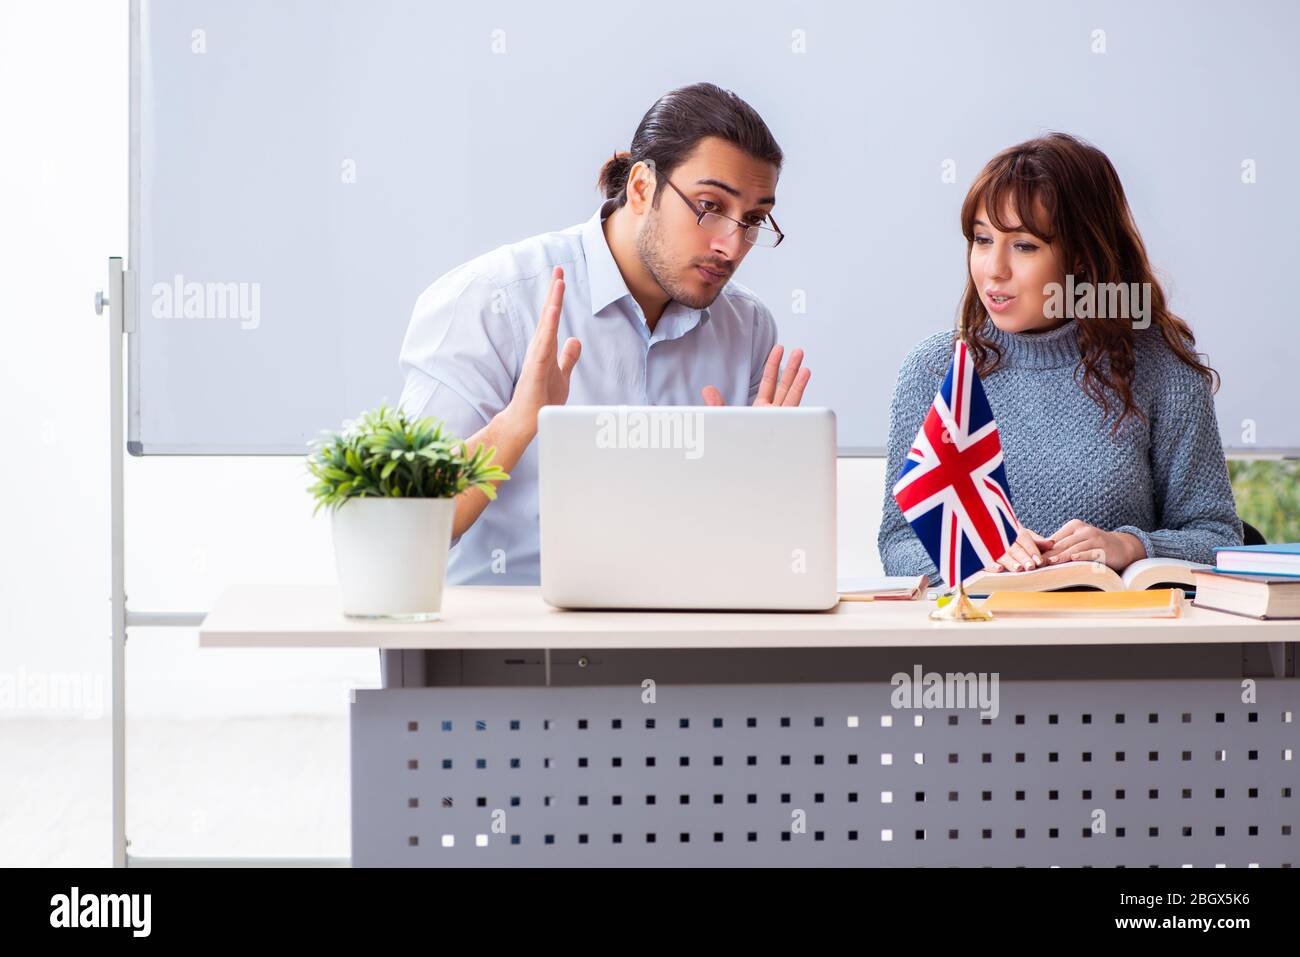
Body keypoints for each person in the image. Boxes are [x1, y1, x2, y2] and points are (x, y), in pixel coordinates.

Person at [389, 82, 809, 686]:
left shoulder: (747, 328)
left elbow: (766, 565)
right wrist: (518, 423)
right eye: (711, 207)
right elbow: (404, 531)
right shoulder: (491, 302)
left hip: (685, 672)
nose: (732, 244)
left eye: (754, 220)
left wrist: (760, 487)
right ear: (641, 187)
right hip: (497, 667)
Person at [879, 132, 1242, 580]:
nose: (994, 269)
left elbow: (1217, 537)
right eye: (981, 239)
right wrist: (975, 558)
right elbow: (898, 546)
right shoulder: (936, 369)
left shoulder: (1160, 365)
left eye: (1025, 245)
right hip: (977, 639)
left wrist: (1128, 545)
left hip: (1121, 641)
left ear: (1082, 259)